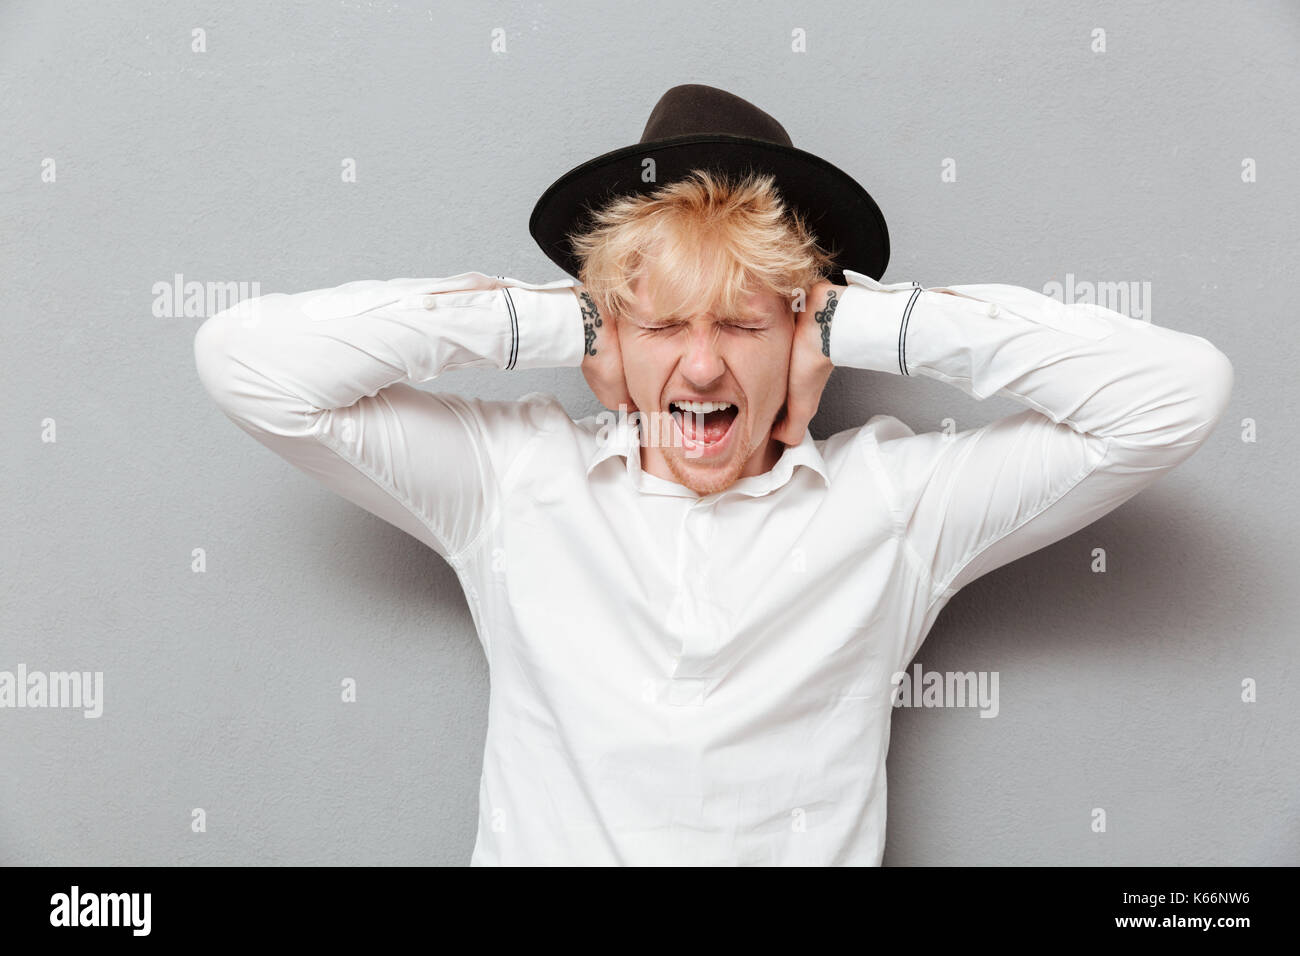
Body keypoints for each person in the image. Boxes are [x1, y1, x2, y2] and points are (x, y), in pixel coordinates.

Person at [192, 85, 1233, 865]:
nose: (699, 365)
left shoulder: (898, 506)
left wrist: (864, 316)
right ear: (610, 335)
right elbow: (251, 365)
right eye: (661, 324)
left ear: (801, 336)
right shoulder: (508, 481)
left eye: (742, 322)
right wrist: (555, 316)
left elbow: (1174, 394)